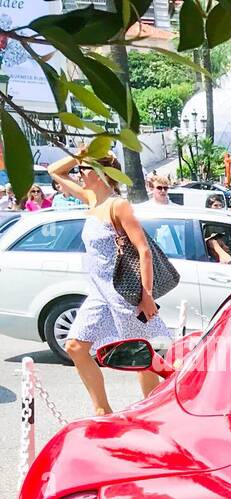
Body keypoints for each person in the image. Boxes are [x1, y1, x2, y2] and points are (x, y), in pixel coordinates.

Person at [48, 152, 167, 415]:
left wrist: (146, 295)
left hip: (123, 294)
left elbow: (143, 250)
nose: (79, 173)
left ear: (102, 174)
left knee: (142, 358)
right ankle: (103, 410)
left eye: (84, 169)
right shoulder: (92, 199)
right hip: (98, 294)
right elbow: (55, 172)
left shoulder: (117, 206)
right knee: (75, 347)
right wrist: (81, 155)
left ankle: (155, 412)